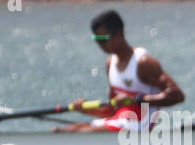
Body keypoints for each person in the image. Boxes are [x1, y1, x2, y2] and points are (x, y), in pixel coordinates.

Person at [57, 10, 185, 133]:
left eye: (103, 39)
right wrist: (86, 110)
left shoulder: (143, 63)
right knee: (62, 131)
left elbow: (177, 95)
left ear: (119, 34)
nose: (100, 44)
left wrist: (136, 99)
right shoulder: (110, 64)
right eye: (97, 40)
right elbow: (112, 110)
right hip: (121, 122)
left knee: (80, 133)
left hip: (141, 126)